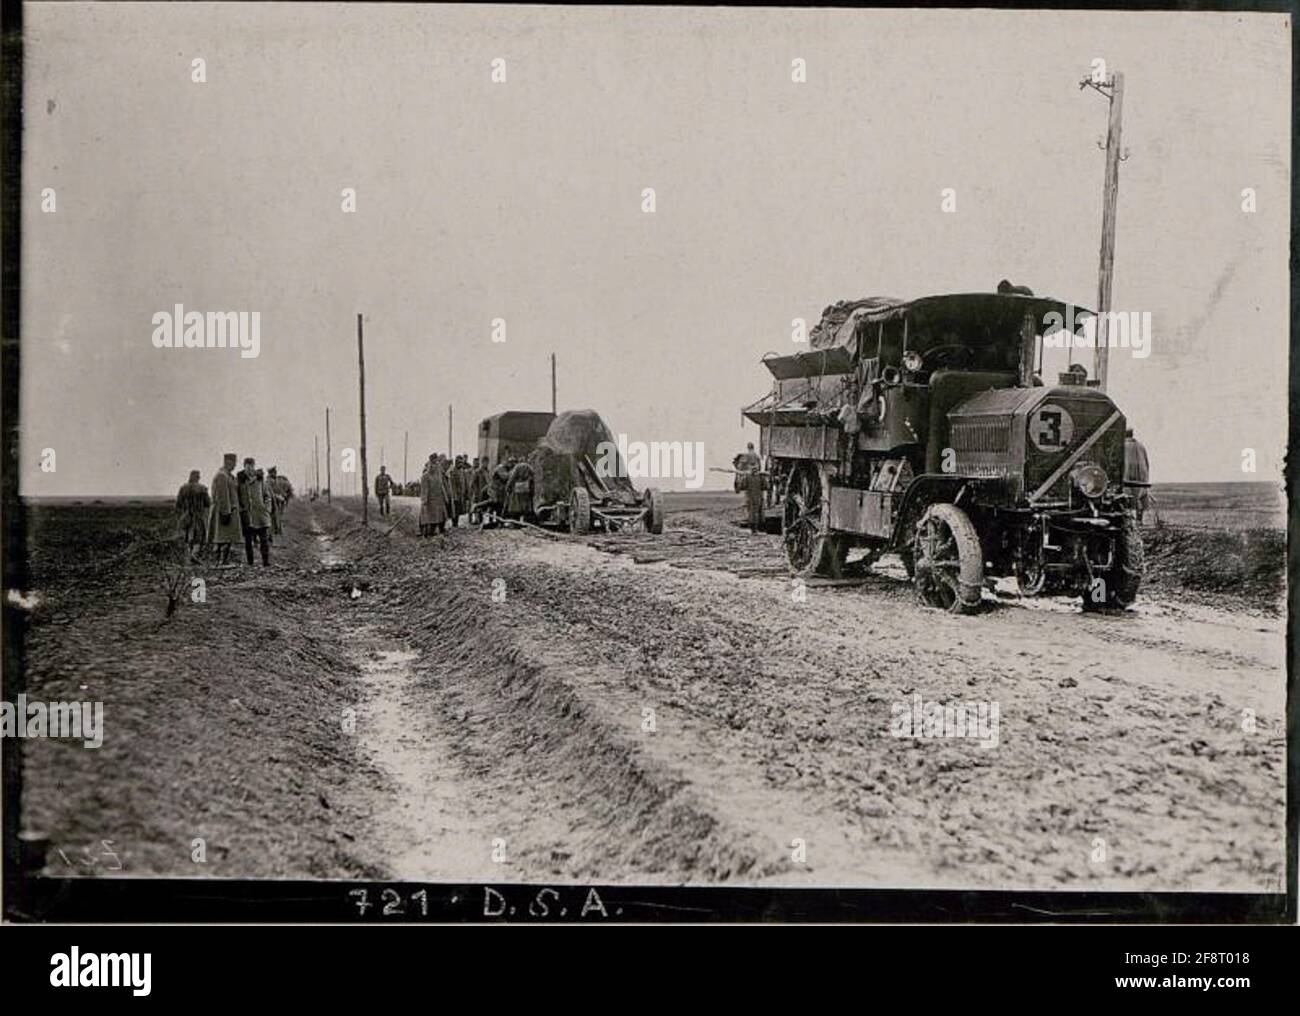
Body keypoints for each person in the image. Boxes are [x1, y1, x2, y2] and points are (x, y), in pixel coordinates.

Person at [207, 453, 242, 566]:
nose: (234, 465)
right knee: (222, 538)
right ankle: (219, 562)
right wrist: (226, 513)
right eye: (233, 462)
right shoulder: (222, 475)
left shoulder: (228, 476)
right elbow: (223, 496)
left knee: (226, 538)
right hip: (224, 511)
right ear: (227, 462)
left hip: (228, 510)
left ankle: (222, 561)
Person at [237, 457, 273, 566]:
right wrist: (241, 508)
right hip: (247, 515)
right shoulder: (240, 482)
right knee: (248, 541)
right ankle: (250, 563)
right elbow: (237, 497)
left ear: (254, 466)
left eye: (251, 466)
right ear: (244, 467)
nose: (249, 469)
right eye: (247, 466)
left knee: (264, 540)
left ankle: (265, 562)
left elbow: (267, 496)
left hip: (261, 515)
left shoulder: (260, 480)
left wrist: (266, 508)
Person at [175, 470, 210, 562]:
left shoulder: (183, 488)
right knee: (199, 536)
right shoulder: (203, 488)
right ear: (198, 477)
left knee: (188, 536)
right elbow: (208, 503)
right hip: (199, 516)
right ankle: (194, 555)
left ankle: (189, 556)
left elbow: (178, 504)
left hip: (186, 516)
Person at [1123, 428, 1151, 523]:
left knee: (1127, 497)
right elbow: (1147, 463)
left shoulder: (1122, 446)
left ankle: (1129, 521)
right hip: (1142, 476)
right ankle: (1139, 520)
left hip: (1127, 475)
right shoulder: (1141, 446)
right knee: (1141, 495)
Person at [419, 453, 449, 536]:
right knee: (429, 517)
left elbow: (442, 485)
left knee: (440, 516)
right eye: (432, 464)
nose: (434, 466)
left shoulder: (438, 474)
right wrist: (424, 500)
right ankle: (426, 532)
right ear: (429, 464)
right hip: (430, 500)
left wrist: (445, 497)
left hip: (439, 499)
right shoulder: (425, 476)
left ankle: (437, 530)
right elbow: (424, 490)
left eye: (436, 464)